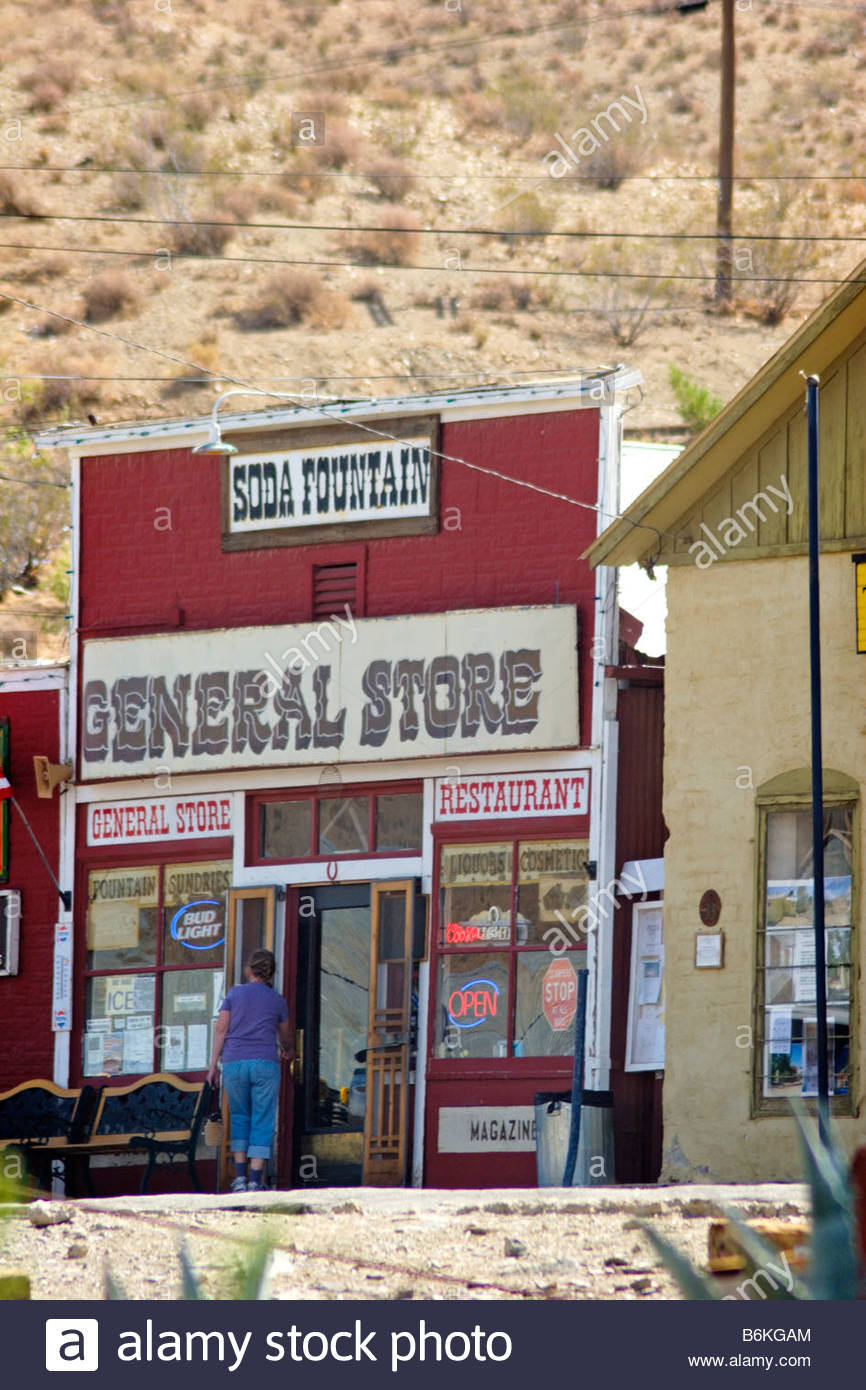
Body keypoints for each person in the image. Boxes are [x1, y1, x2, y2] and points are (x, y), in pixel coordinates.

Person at [208, 948, 291, 1192]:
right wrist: (289, 1050)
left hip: (234, 1063)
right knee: (262, 1119)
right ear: (271, 973)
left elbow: (221, 1030)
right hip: (265, 1063)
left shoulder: (234, 994)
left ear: (249, 970)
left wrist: (213, 1066)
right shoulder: (277, 1000)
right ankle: (256, 1180)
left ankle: (240, 1179)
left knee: (240, 1117)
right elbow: (285, 1036)